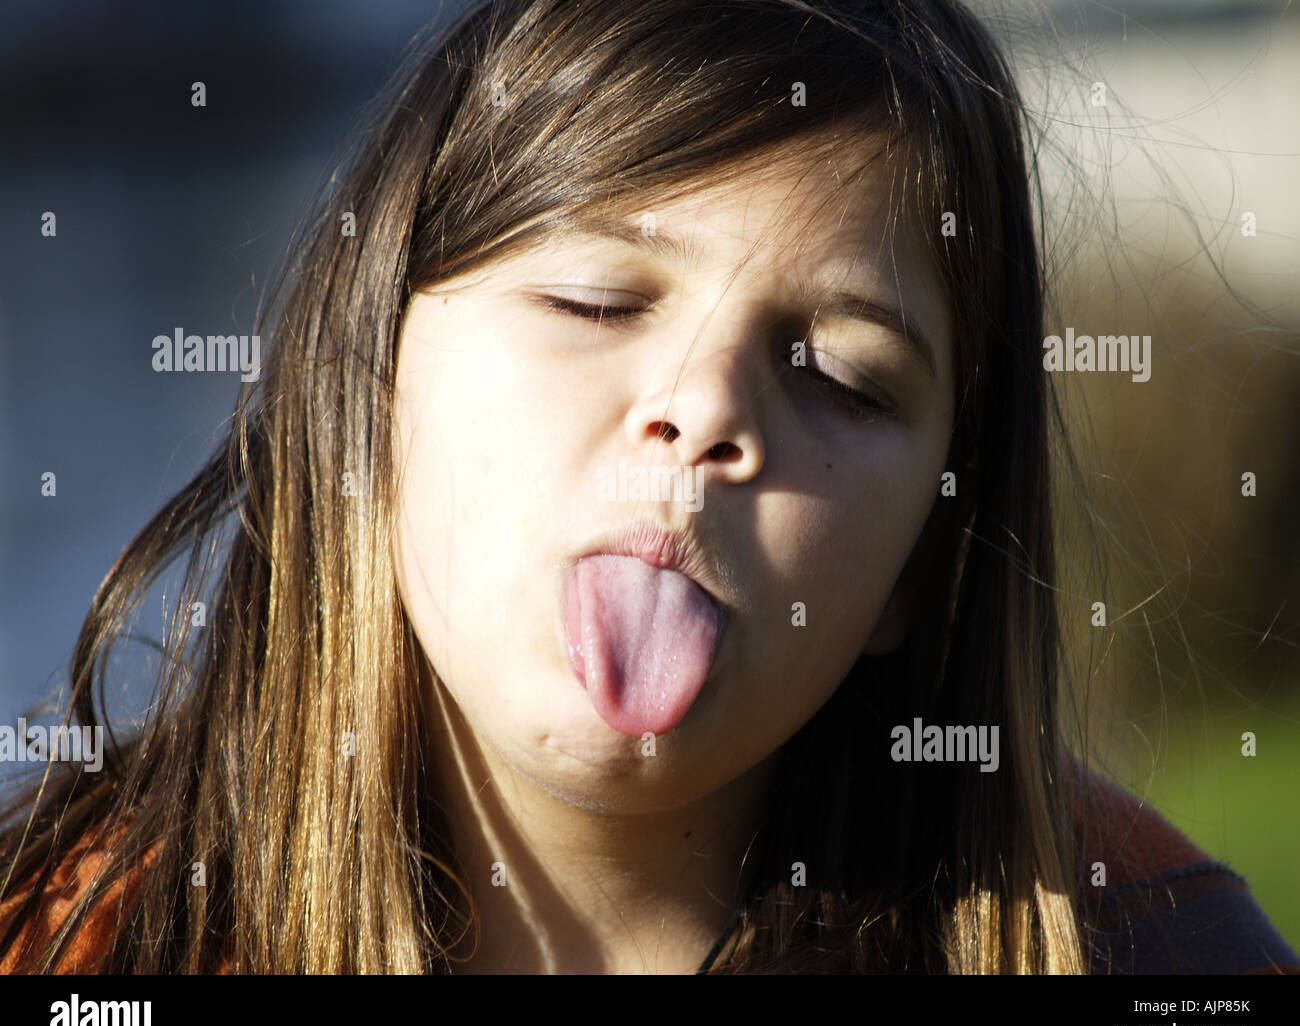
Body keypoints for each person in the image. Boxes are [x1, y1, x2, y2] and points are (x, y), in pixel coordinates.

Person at [1, 0, 1296, 975]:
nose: (708, 409)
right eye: (595, 298)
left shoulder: (1152, 950)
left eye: (845, 379)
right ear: (373, 392)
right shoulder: (71, 944)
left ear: (922, 561)